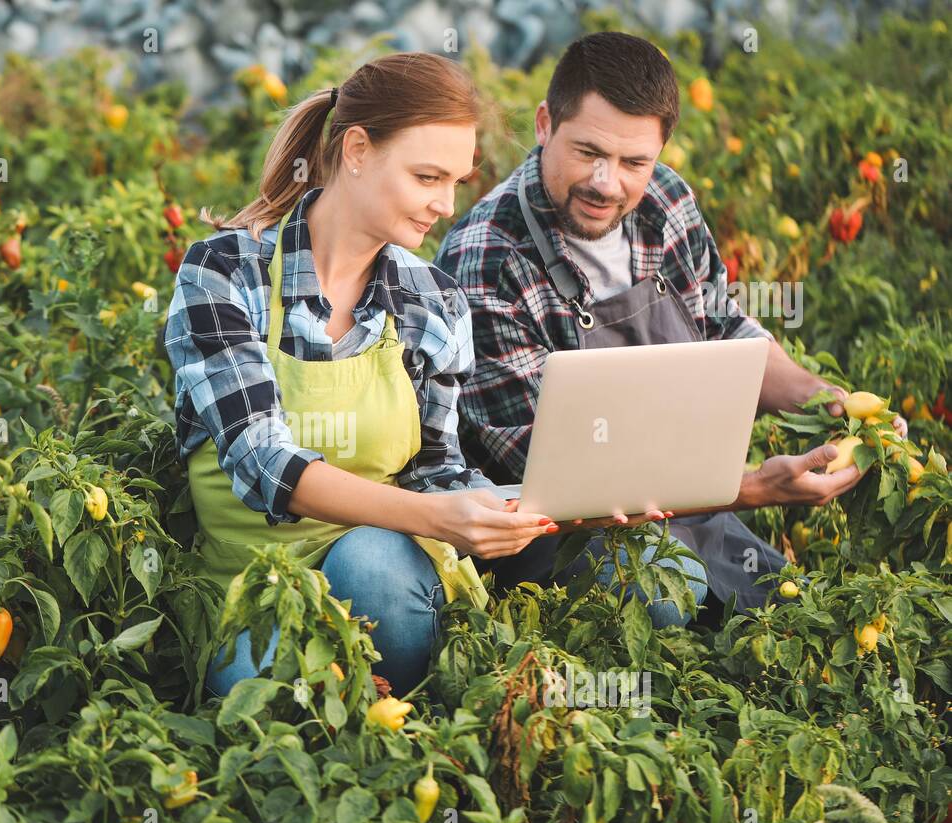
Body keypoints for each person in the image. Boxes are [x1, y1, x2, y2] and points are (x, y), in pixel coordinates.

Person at [164, 53, 630, 699]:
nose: (445, 204)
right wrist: (437, 517)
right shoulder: (225, 271)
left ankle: (410, 723)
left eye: (457, 182)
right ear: (356, 149)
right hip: (258, 587)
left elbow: (435, 470)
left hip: (392, 563)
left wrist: (546, 508)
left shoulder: (431, 299)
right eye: (426, 177)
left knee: (638, 567)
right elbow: (261, 461)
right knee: (264, 703)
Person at [435, 31, 908, 619]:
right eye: (588, 152)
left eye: (634, 161)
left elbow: (726, 328)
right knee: (663, 597)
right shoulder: (486, 260)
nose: (607, 183)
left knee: (803, 616)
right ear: (543, 125)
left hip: (697, 509)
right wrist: (759, 486)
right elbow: (560, 481)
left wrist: (824, 400)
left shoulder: (664, 201)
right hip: (556, 538)